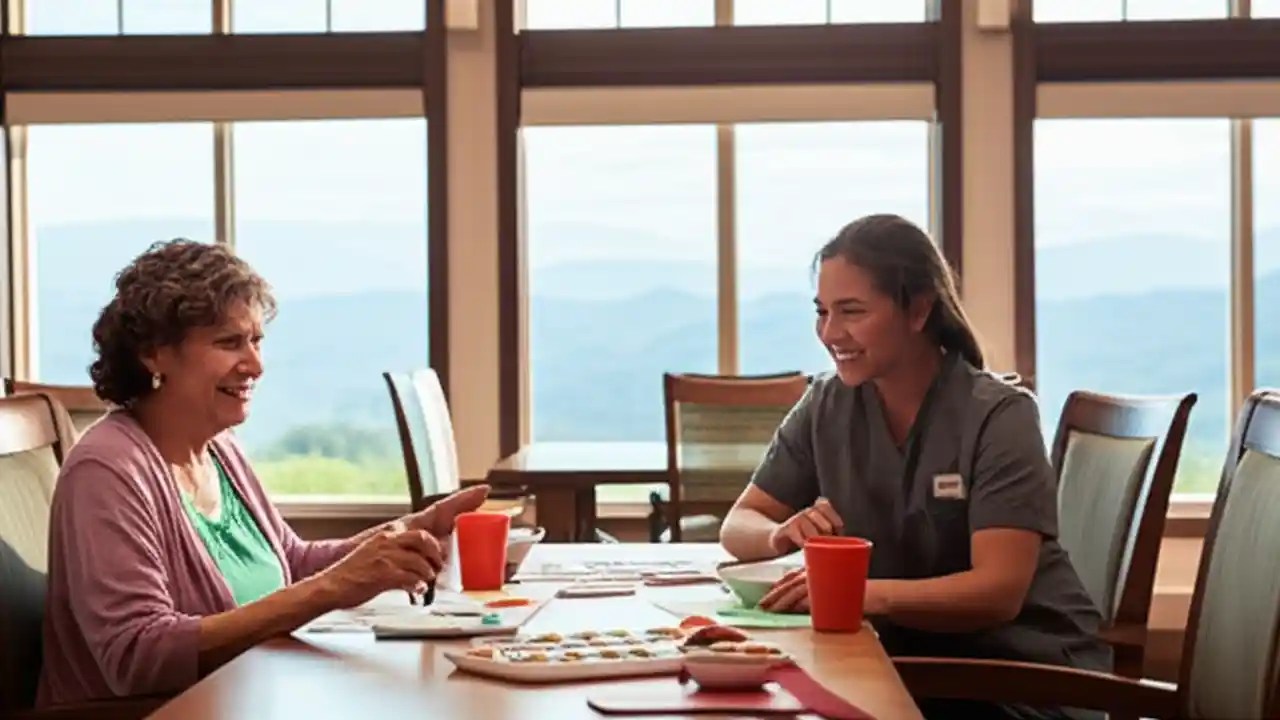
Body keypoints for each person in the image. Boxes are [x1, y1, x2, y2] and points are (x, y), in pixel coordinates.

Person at [37, 239, 488, 707]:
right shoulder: (108, 470)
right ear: (155, 354)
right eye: (229, 342)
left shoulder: (220, 449)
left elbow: (288, 566)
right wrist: (333, 587)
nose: (255, 364)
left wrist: (403, 535)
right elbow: (137, 656)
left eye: (256, 340)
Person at [719, 215, 1109, 720]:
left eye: (852, 312)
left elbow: (998, 591)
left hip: (1018, 681)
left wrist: (859, 596)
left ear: (919, 309)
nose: (830, 333)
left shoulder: (997, 414)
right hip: (908, 666)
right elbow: (739, 523)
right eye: (822, 312)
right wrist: (779, 536)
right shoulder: (828, 404)